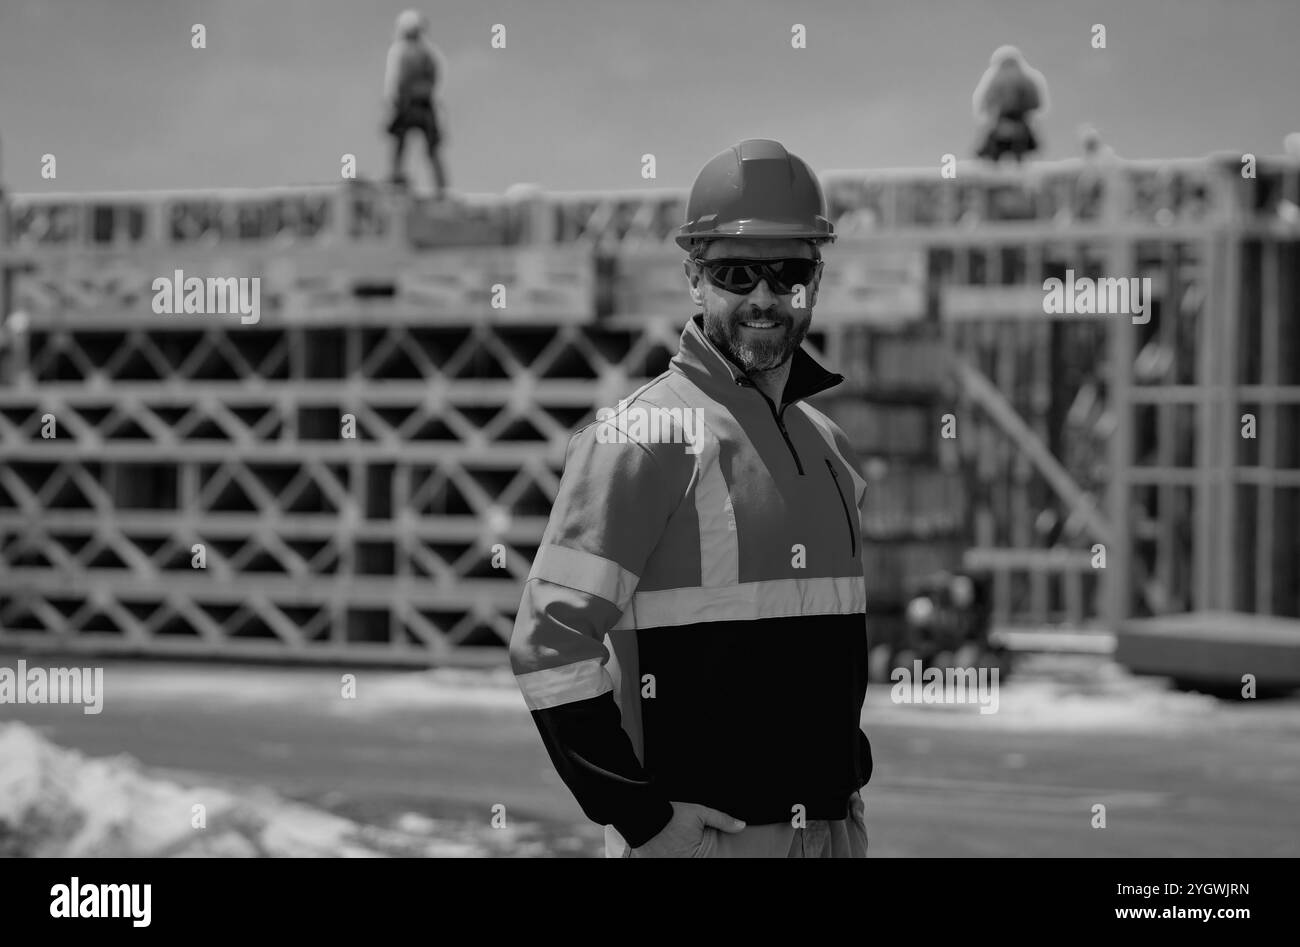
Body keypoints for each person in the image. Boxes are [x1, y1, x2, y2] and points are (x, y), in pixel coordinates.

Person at [509, 139, 873, 858]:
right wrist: (640, 816)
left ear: (816, 280)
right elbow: (550, 641)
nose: (764, 297)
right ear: (695, 280)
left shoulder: (829, 446)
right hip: (710, 841)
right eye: (736, 273)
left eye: (789, 272)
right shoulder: (641, 438)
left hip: (831, 833)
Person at [383, 10, 448, 197]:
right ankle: (439, 188)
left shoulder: (402, 51)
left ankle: (398, 178)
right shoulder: (427, 52)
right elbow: (436, 78)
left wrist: (392, 103)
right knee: (424, 148)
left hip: (410, 104)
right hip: (421, 105)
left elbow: (393, 81)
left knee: (406, 146)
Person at [972, 45, 1050, 164]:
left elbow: (984, 104)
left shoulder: (994, 80)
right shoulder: (1028, 79)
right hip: (1021, 124)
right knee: (1021, 156)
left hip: (1000, 123)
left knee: (989, 157)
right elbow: (1037, 104)